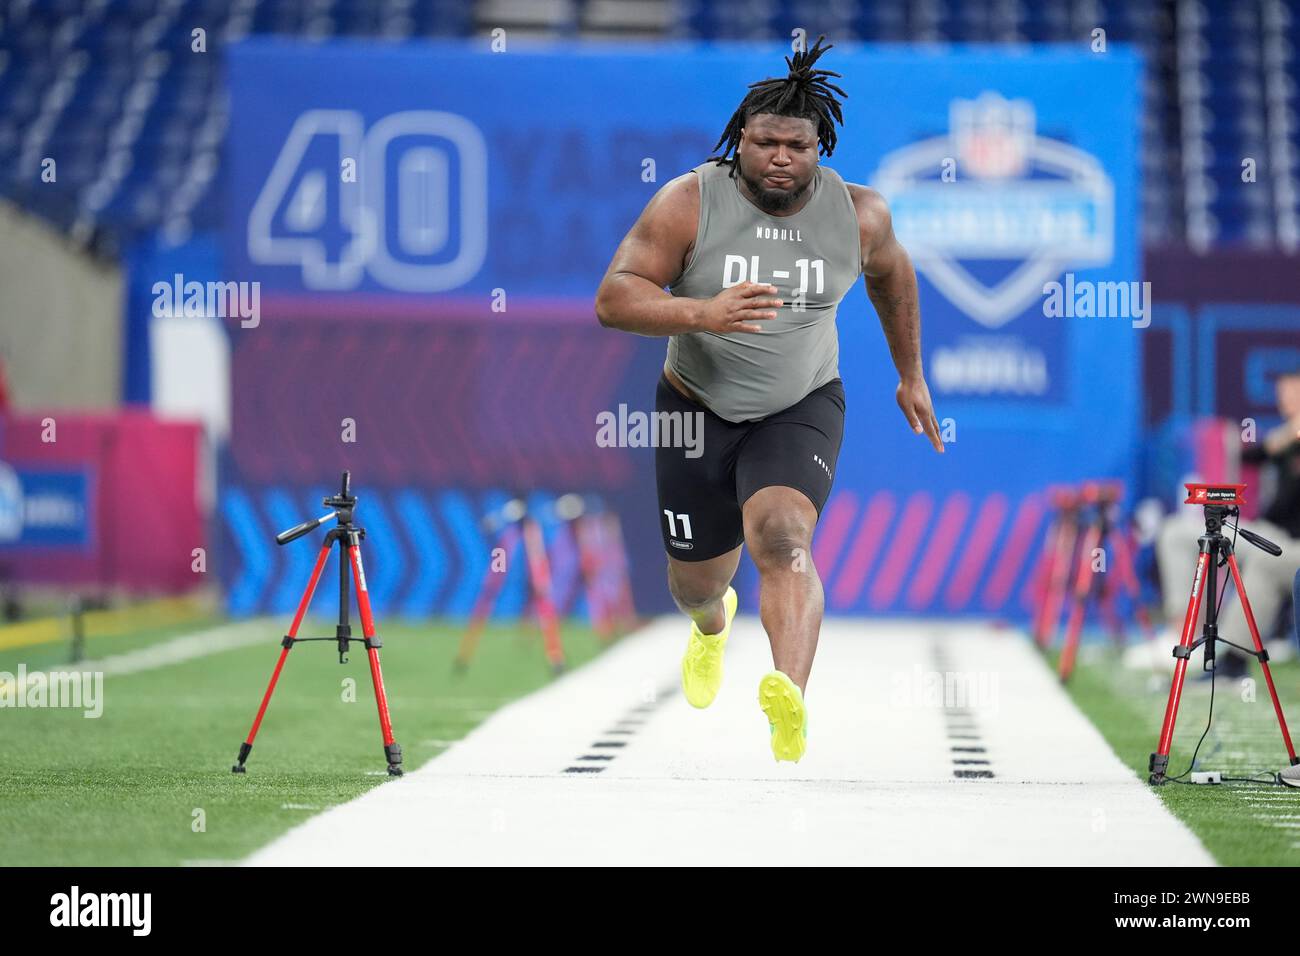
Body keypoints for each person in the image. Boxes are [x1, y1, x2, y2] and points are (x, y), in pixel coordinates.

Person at [594, 37, 943, 762]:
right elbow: (614, 298)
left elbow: (893, 276)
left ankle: (790, 694)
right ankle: (711, 625)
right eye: (764, 143)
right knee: (697, 580)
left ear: (822, 147)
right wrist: (702, 313)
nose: (780, 157)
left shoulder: (860, 215)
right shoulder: (689, 202)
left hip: (800, 402)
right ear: (738, 141)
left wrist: (910, 374)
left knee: (784, 539)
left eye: (797, 145)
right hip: (695, 404)